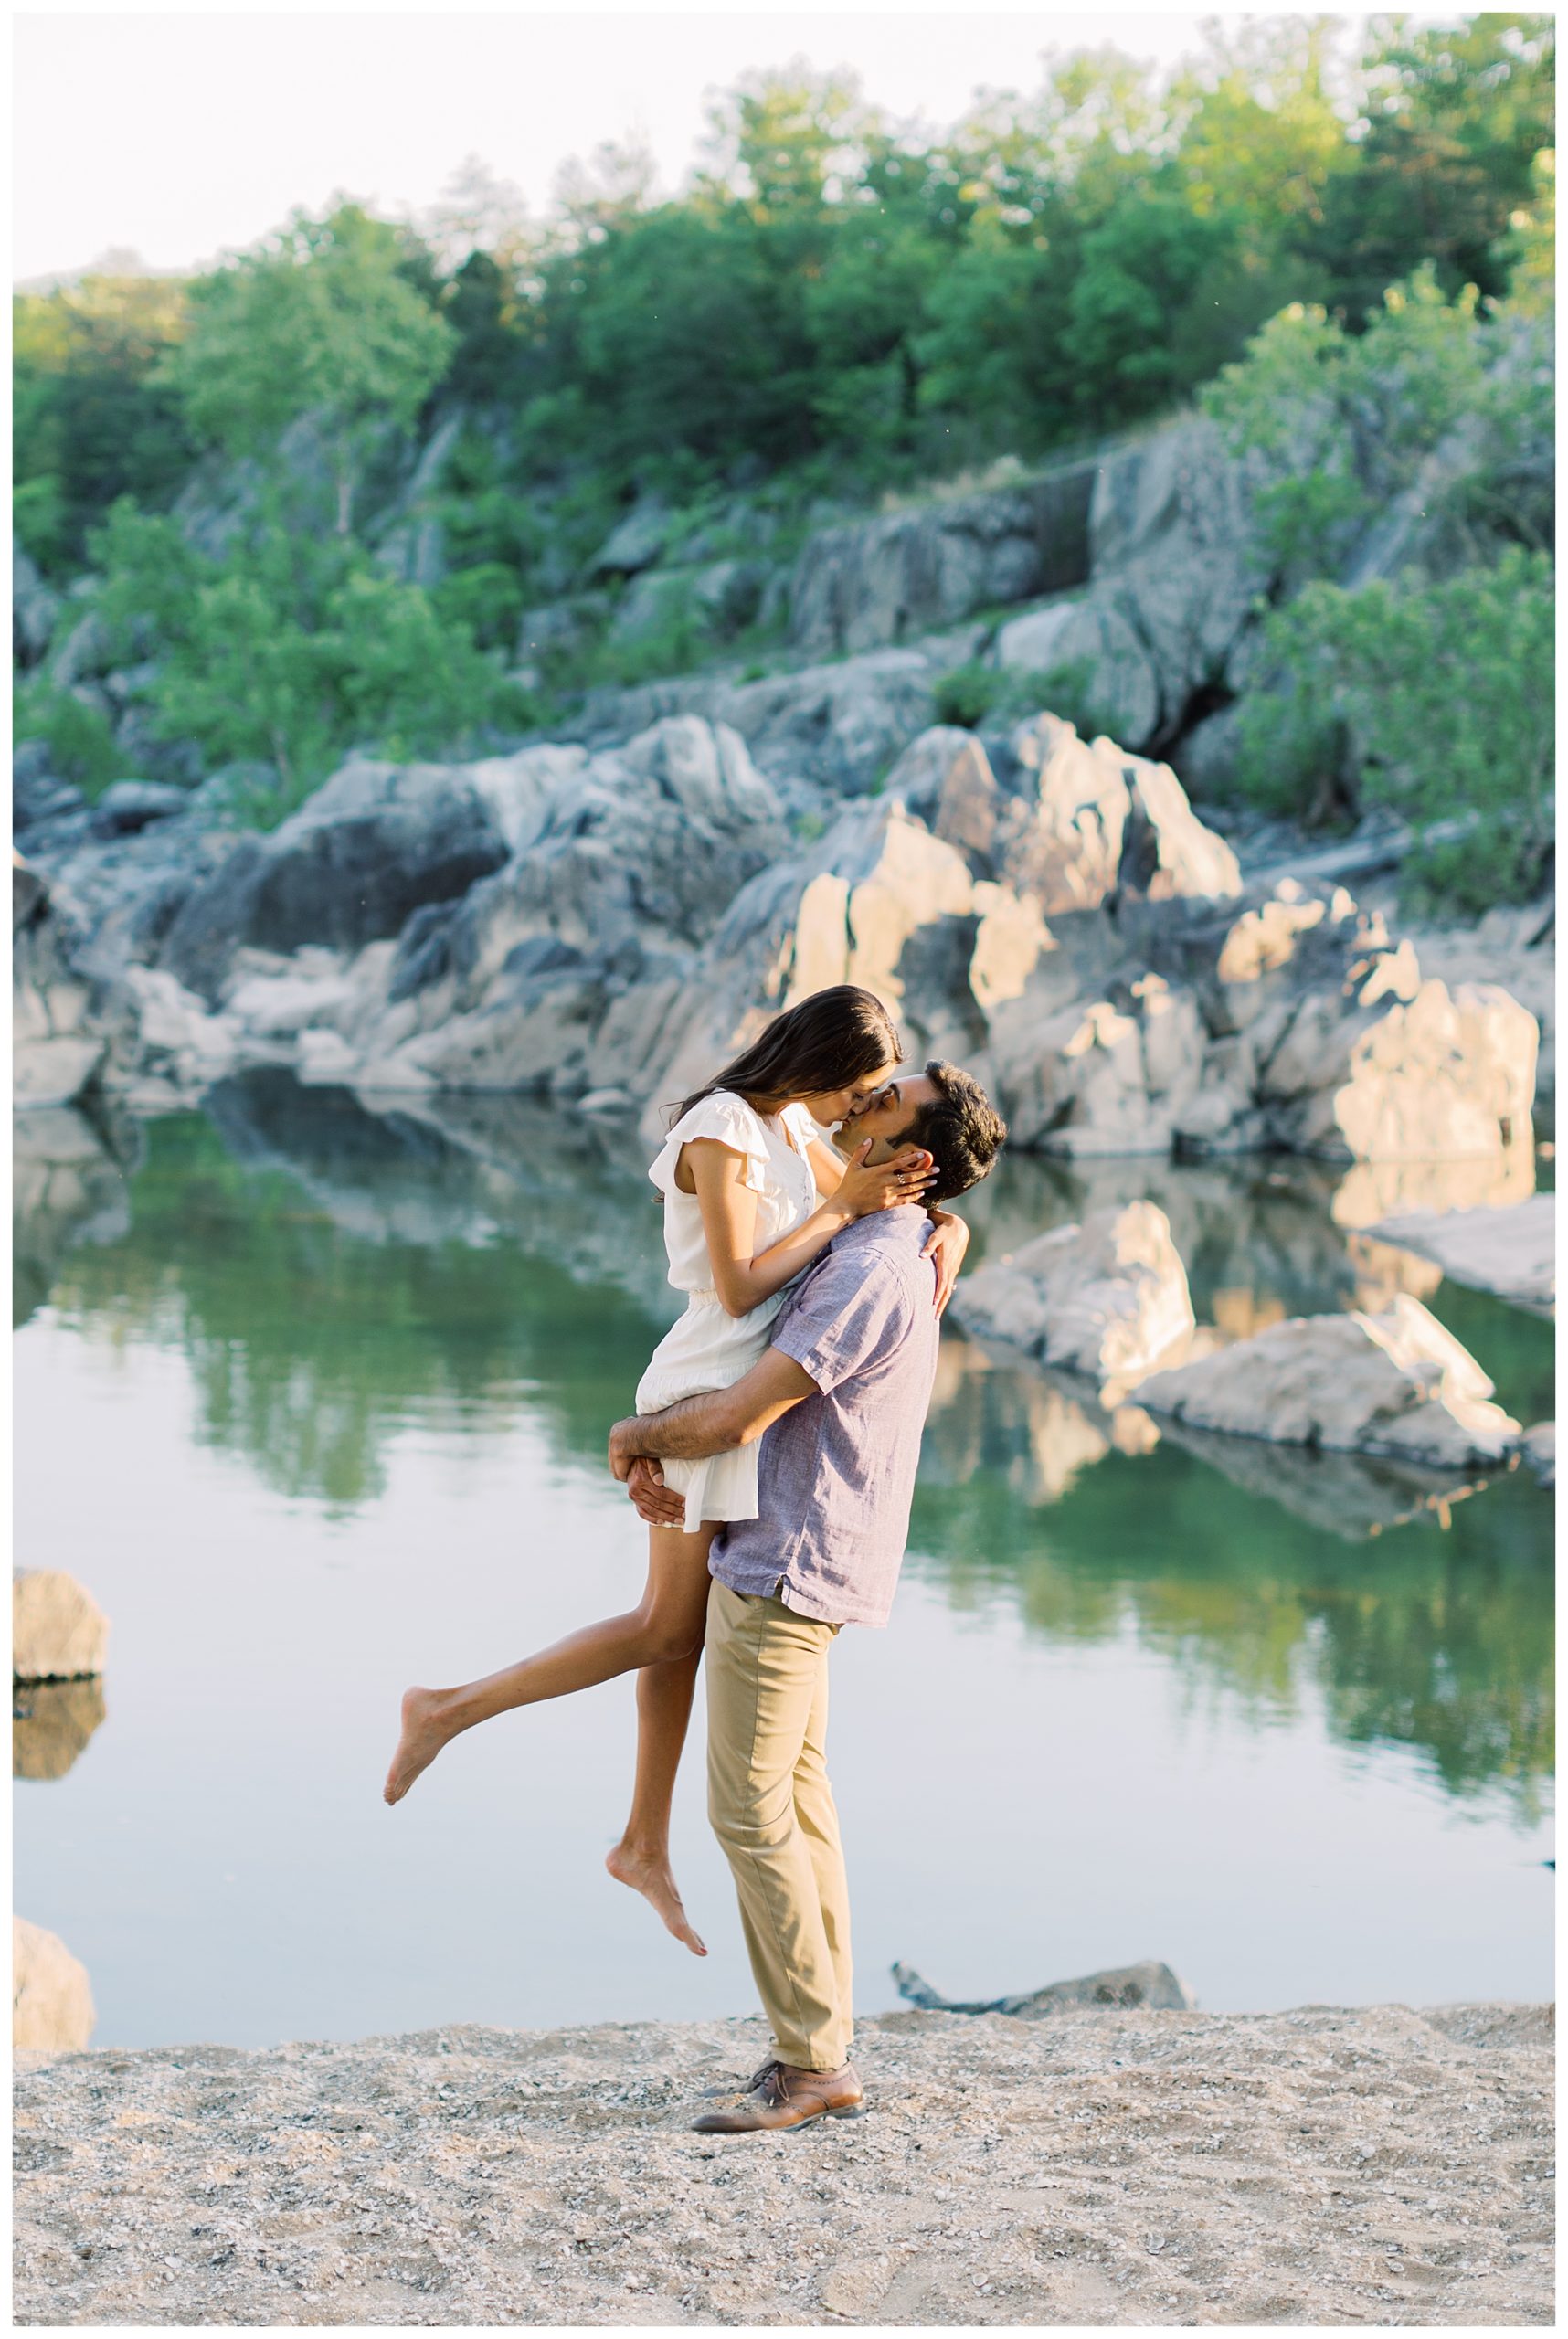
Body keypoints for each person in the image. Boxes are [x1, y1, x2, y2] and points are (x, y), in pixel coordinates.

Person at [381, 986, 972, 1960]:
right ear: (822, 1062)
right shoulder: (725, 1126)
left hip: (741, 1399)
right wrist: (838, 1206)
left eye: (877, 1095)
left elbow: (882, 1194)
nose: (858, 1110)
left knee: (680, 1632)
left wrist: (951, 1226)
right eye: (860, 1088)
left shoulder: (786, 1125)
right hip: (705, 1385)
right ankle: (446, 1710)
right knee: (665, 1625)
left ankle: (642, 1841)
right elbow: (742, 1280)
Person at [609, 1059, 1007, 2133]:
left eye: (883, 1104)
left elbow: (742, 1414)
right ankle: (822, 2041)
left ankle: (810, 2061)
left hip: (789, 1560)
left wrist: (636, 1437)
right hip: (826, 1555)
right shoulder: (910, 1246)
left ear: (909, 1159)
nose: (856, 1106)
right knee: (800, 1798)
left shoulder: (869, 1265)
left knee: (744, 1807)